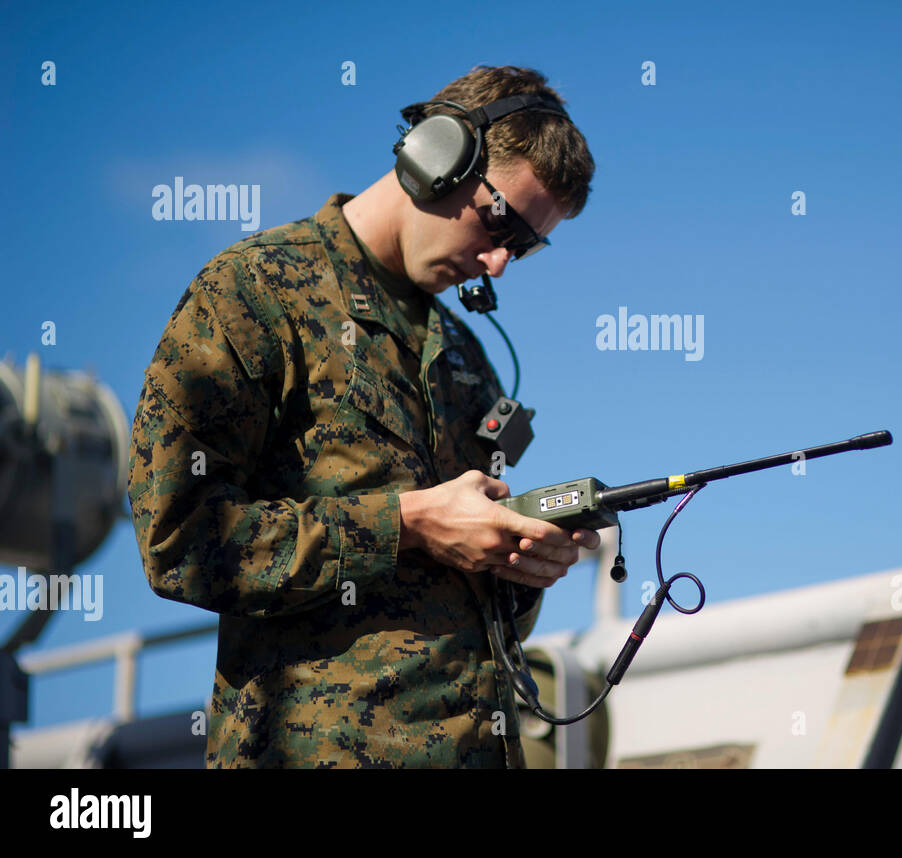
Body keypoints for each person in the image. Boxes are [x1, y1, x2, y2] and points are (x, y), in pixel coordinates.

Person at [126, 65, 598, 768]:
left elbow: (478, 606)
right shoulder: (254, 292)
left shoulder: (467, 361)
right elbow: (179, 541)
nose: (500, 262)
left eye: (526, 245)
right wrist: (407, 522)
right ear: (437, 155)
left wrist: (521, 562)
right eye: (501, 220)